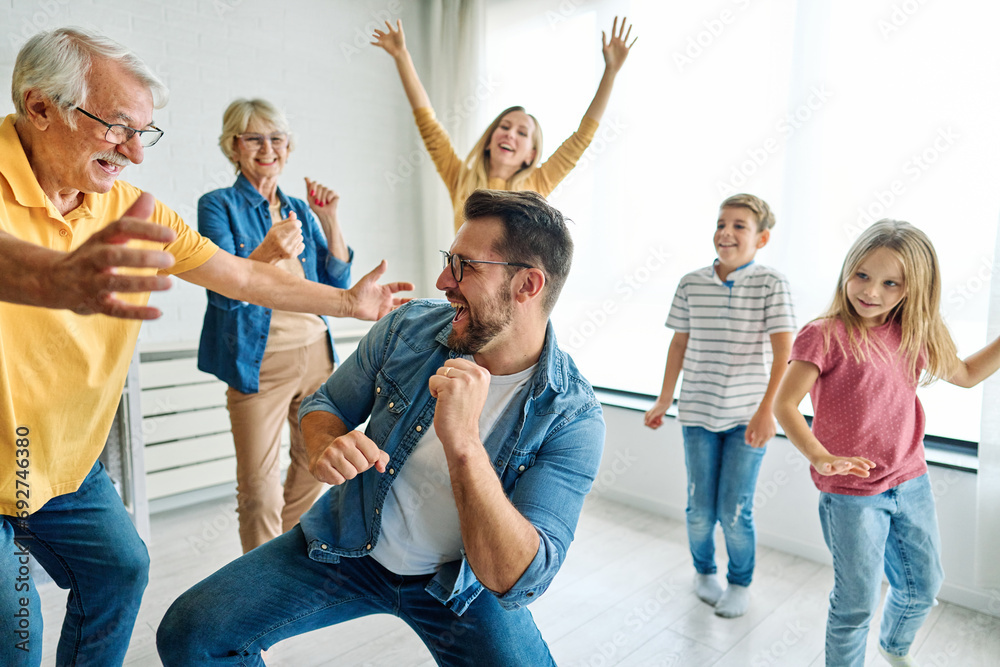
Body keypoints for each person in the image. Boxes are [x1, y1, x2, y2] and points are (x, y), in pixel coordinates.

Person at [0, 28, 411, 667]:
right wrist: (50, 276)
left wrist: (349, 304)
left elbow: (241, 275)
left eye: (144, 132)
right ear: (40, 107)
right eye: (115, 127)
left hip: (61, 463)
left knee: (119, 569)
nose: (135, 152)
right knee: (13, 633)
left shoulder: (132, 207)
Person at [156, 189, 606, 666]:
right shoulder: (407, 327)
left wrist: (465, 446)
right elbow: (325, 404)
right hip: (347, 544)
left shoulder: (571, 416)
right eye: (447, 260)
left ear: (528, 285)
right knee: (190, 633)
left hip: (459, 586)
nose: (442, 280)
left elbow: (518, 579)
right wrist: (325, 442)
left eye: (465, 266)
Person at [773, 220, 1000, 667]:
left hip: (910, 481)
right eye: (862, 274)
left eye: (889, 282)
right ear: (847, 270)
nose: (871, 291)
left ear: (912, 288)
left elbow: (969, 375)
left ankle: (893, 648)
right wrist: (821, 456)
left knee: (923, 587)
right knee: (856, 603)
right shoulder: (824, 334)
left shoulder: (913, 332)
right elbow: (785, 404)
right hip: (852, 496)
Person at [197, 98, 355, 553]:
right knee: (258, 486)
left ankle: (280, 558)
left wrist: (330, 220)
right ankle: (258, 580)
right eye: (255, 138)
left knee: (314, 464)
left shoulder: (300, 210)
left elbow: (335, 281)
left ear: (288, 147)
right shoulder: (218, 205)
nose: (268, 148)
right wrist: (266, 250)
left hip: (317, 353)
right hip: (257, 360)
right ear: (234, 146)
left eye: (277, 138)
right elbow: (220, 287)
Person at [644, 194, 796, 618]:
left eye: (739, 226)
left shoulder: (772, 284)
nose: (726, 233)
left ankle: (740, 583)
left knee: (734, 511)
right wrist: (663, 398)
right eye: (721, 223)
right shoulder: (691, 282)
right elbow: (679, 343)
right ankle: (704, 571)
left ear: (762, 238)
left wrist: (769, 411)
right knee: (698, 510)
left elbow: (785, 352)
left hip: (749, 416)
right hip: (696, 413)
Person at [372, 16, 636, 231]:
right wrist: (401, 56)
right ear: (489, 140)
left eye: (522, 132)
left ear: (531, 154)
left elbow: (582, 138)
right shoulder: (460, 178)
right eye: (505, 126)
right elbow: (428, 123)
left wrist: (610, 73)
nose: (510, 134)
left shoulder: (539, 183)